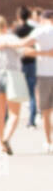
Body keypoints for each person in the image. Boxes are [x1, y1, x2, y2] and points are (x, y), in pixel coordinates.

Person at [0, 14, 34, 156]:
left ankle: (0, 144)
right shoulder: (12, 39)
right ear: (5, 26)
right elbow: (26, 51)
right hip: (13, 76)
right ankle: (6, 138)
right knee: (15, 114)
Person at [29, 8, 53, 153]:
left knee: (45, 111)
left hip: (44, 74)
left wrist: (39, 52)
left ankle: (48, 140)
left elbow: (24, 46)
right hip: (45, 74)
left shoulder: (40, 31)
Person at [13, 5, 38, 128]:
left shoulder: (16, 31)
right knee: (32, 92)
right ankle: (31, 119)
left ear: (18, 16)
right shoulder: (34, 30)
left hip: (19, 64)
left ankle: (10, 118)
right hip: (32, 62)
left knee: (14, 93)